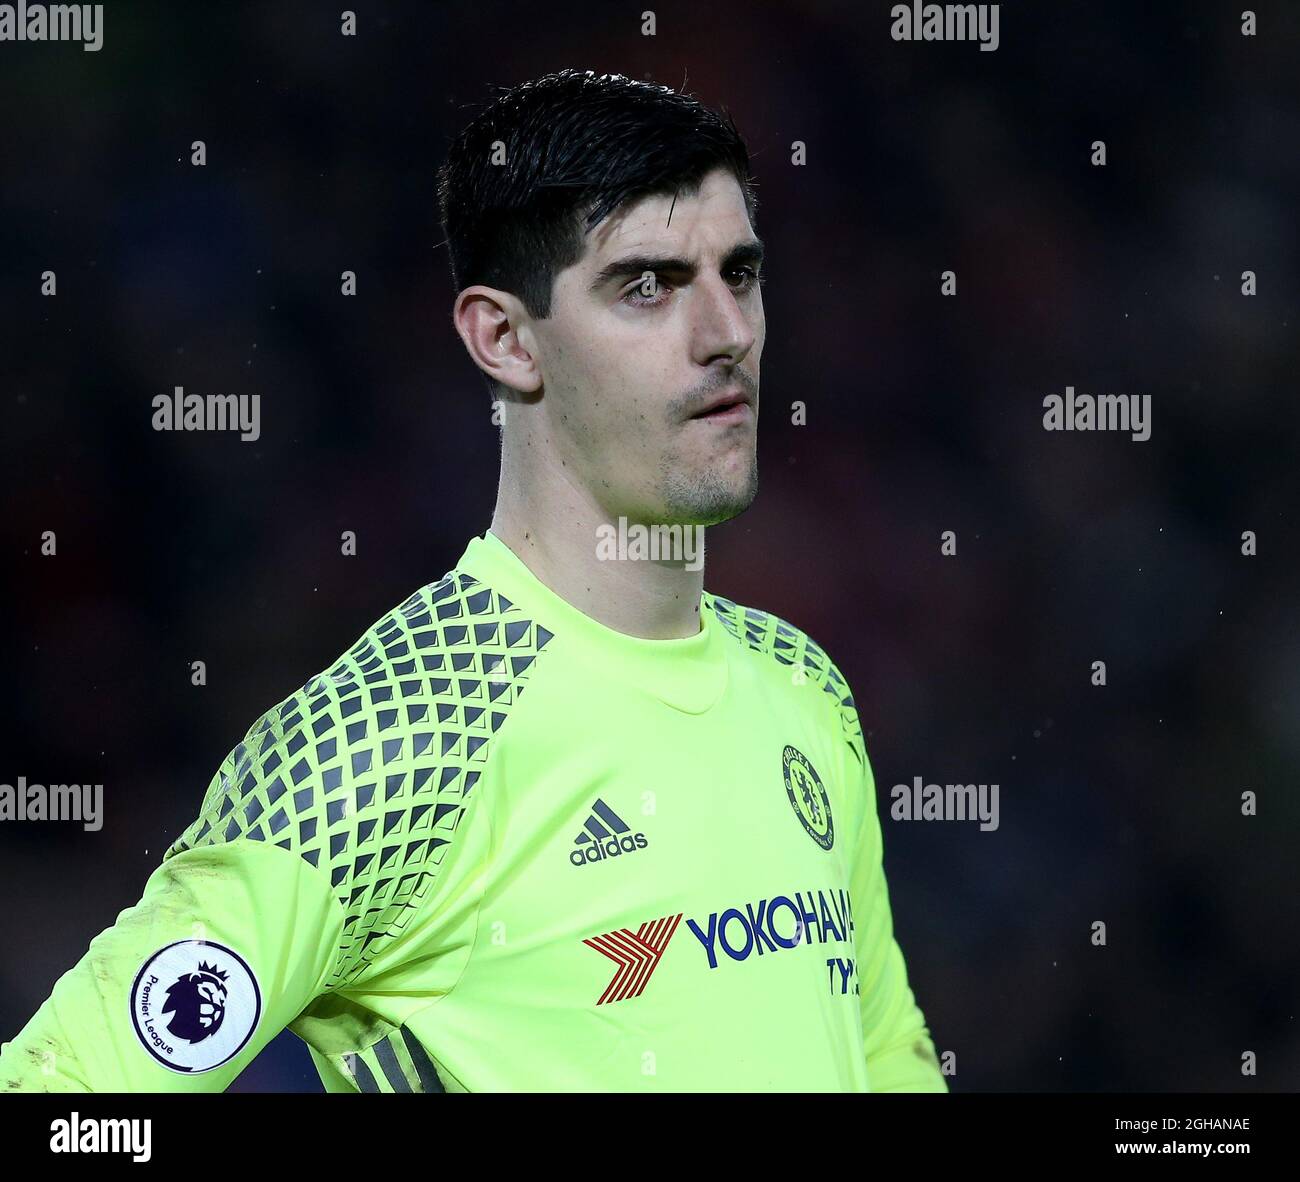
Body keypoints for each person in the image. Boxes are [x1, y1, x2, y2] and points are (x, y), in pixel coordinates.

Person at [0, 68, 945, 1093]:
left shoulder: (801, 687)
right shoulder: (393, 743)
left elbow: (887, 1057)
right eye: (647, 285)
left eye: (741, 272)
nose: (727, 334)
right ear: (504, 338)